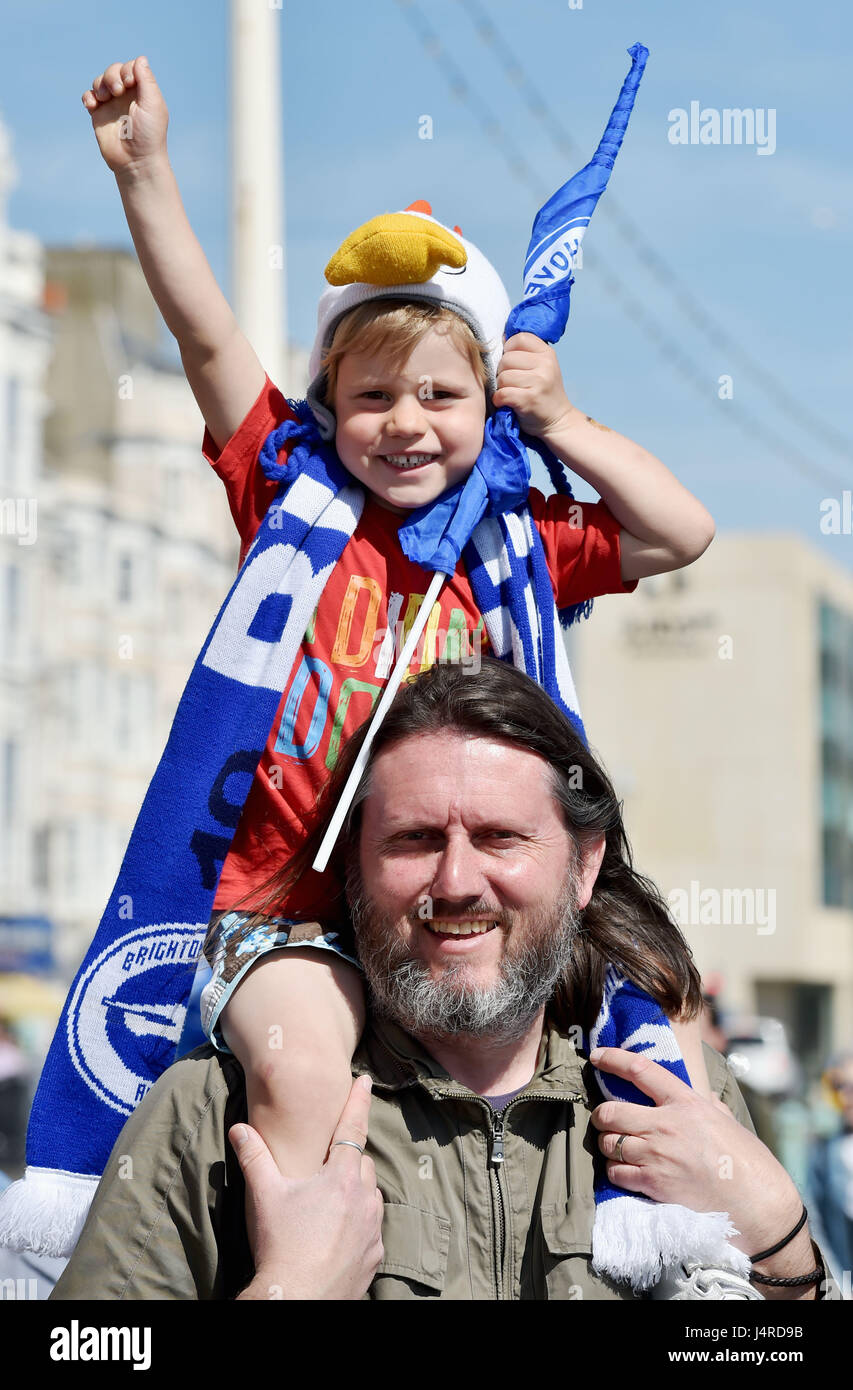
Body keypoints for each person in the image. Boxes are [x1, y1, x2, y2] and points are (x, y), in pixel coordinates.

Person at [74, 56, 721, 1195]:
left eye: (440, 396)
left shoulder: (516, 538)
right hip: (286, 913)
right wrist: (146, 173)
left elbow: (681, 530)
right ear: (328, 407)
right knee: (308, 1072)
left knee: (662, 1044)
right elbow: (212, 338)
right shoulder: (290, 492)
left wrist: (559, 418)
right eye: (371, 397)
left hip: (456, 915)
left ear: (490, 408)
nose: (404, 424)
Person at [50, 661, 838, 1300]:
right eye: (414, 838)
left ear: (584, 864)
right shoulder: (216, 1110)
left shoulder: (675, 1099)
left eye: (500, 837)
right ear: (352, 865)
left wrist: (779, 1237)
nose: (456, 880)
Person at [804, 1048, 853, 1291]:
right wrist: (837, 1290)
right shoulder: (823, 1153)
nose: (847, 1097)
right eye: (840, 1087)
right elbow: (819, 1227)